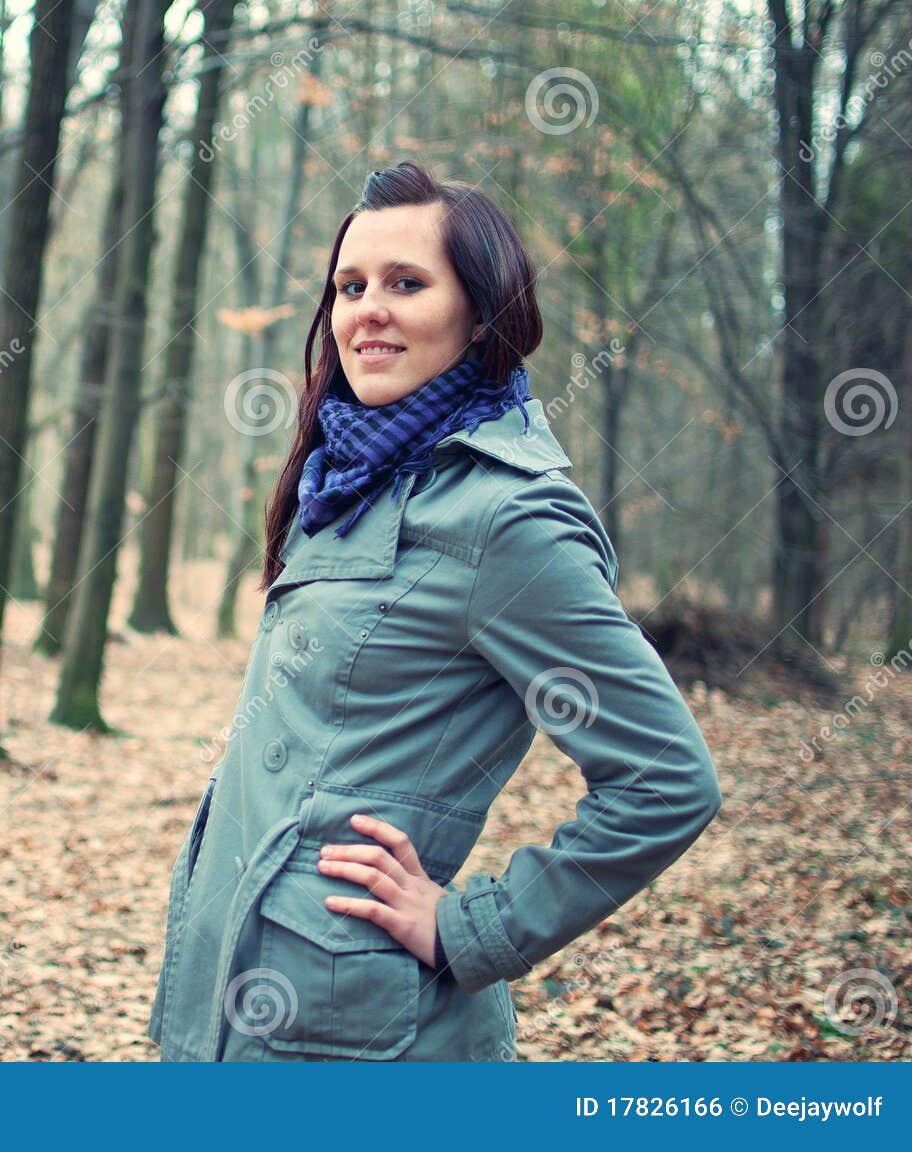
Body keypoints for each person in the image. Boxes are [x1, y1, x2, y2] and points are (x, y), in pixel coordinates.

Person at [146, 160, 723, 1062]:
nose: (367, 310)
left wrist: (472, 929)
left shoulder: (508, 520)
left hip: (354, 1031)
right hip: (229, 987)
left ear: (482, 313)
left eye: (406, 284)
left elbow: (666, 780)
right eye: (350, 287)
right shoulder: (346, 483)